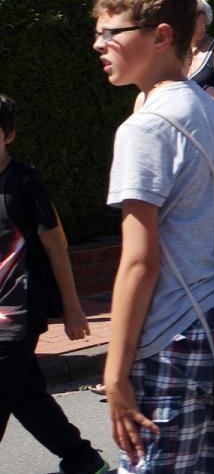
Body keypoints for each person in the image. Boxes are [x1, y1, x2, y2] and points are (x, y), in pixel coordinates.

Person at [93, 0, 214, 469]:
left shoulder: (146, 127)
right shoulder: (208, 108)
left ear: (161, 37)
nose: (99, 43)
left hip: (170, 337)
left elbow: (140, 263)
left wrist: (115, 372)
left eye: (112, 32)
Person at [0, 95, 109, 474]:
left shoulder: (24, 182)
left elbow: (56, 244)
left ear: (8, 135)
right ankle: (83, 460)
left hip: (17, 313)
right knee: (26, 395)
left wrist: (73, 307)